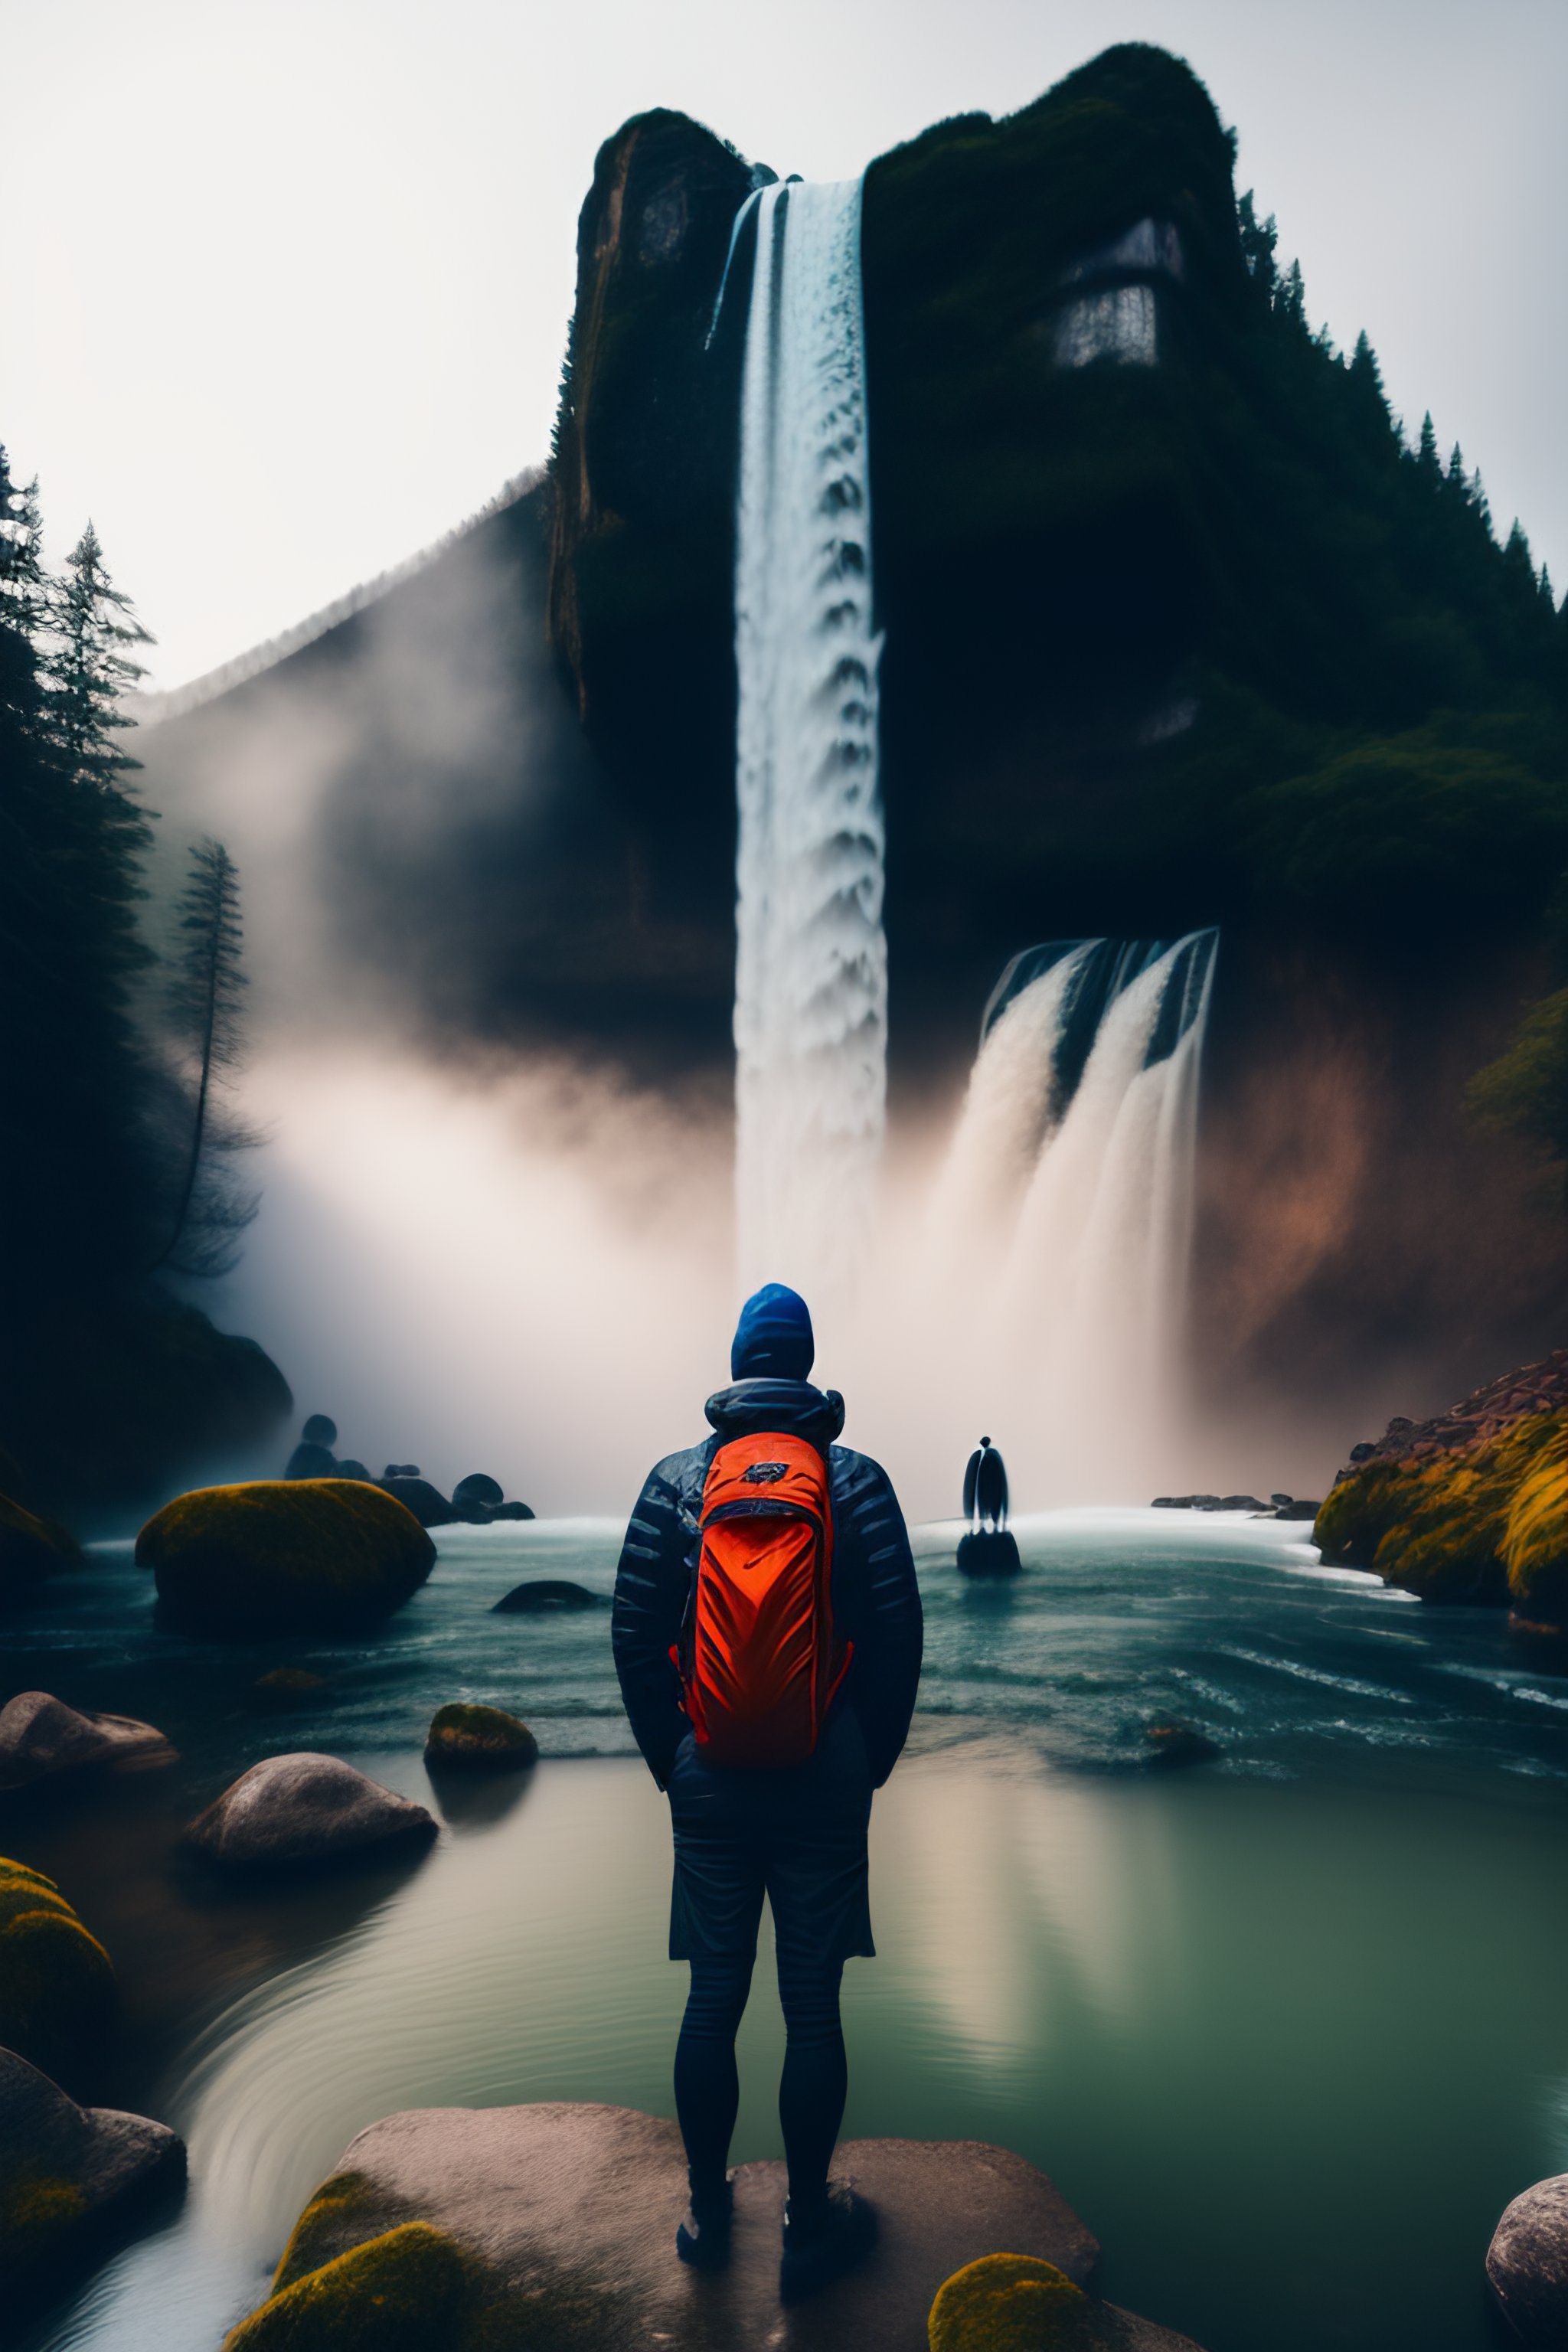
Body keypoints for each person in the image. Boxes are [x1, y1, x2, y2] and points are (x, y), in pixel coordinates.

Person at [612, 1282, 923, 2303]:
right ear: (806, 1367)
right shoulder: (854, 1480)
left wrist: (677, 1757)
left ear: (740, 1365)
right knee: (812, 2007)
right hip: (823, 1770)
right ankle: (805, 2222)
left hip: (708, 1771)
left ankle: (706, 2214)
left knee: (712, 1996)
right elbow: (897, 1637)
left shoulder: (677, 1481)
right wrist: (863, 1761)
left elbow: (631, 1634)